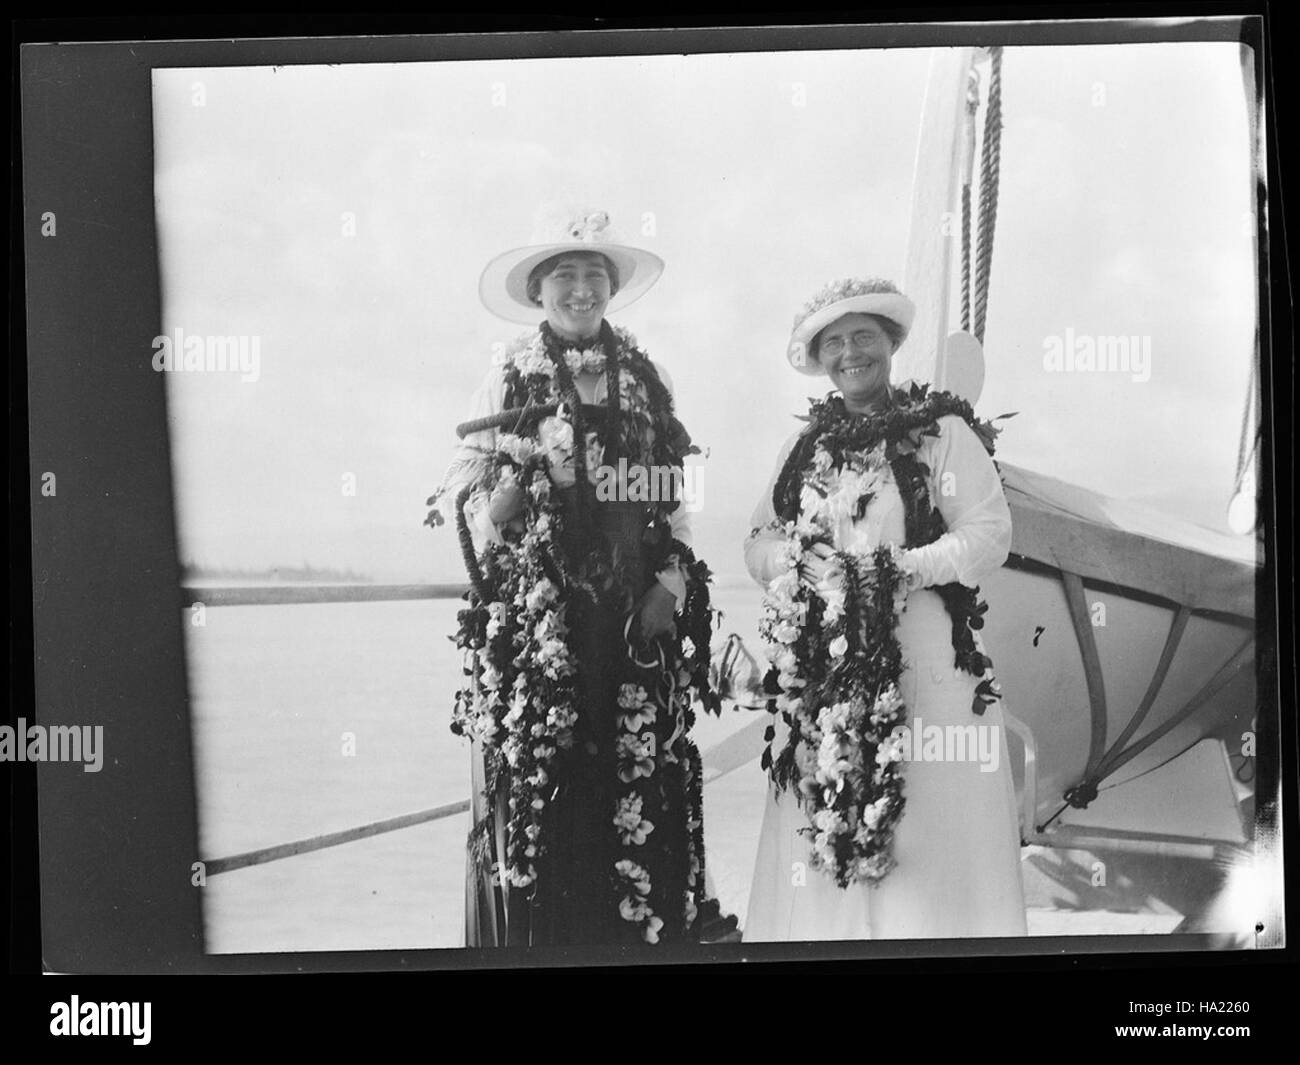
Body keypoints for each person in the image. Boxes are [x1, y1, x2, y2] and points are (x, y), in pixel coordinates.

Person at [429, 206, 719, 947]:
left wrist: (671, 588)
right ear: (538, 291)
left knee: (638, 795)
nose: (581, 289)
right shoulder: (508, 374)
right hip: (544, 633)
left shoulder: (648, 382)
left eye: (595, 275)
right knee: (547, 806)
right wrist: (519, 483)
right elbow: (467, 496)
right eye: (566, 275)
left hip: (631, 627)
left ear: (612, 288)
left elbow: (676, 512)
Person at [742, 277, 1027, 940]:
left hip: (927, 673)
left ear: (890, 343)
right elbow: (758, 540)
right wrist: (796, 560)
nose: (850, 352)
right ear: (818, 357)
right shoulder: (801, 451)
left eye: (863, 335)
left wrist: (900, 568)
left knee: (924, 846)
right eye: (834, 342)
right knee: (828, 831)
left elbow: (990, 535)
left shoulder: (941, 433)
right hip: (826, 676)